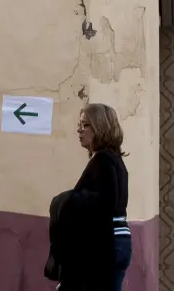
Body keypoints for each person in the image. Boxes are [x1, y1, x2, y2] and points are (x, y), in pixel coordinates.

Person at [45, 103, 132, 290]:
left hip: (107, 243)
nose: (79, 130)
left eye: (85, 125)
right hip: (120, 239)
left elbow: (105, 202)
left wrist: (66, 200)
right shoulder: (116, 160)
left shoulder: (103, 160)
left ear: (100, 128)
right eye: (79, 124)